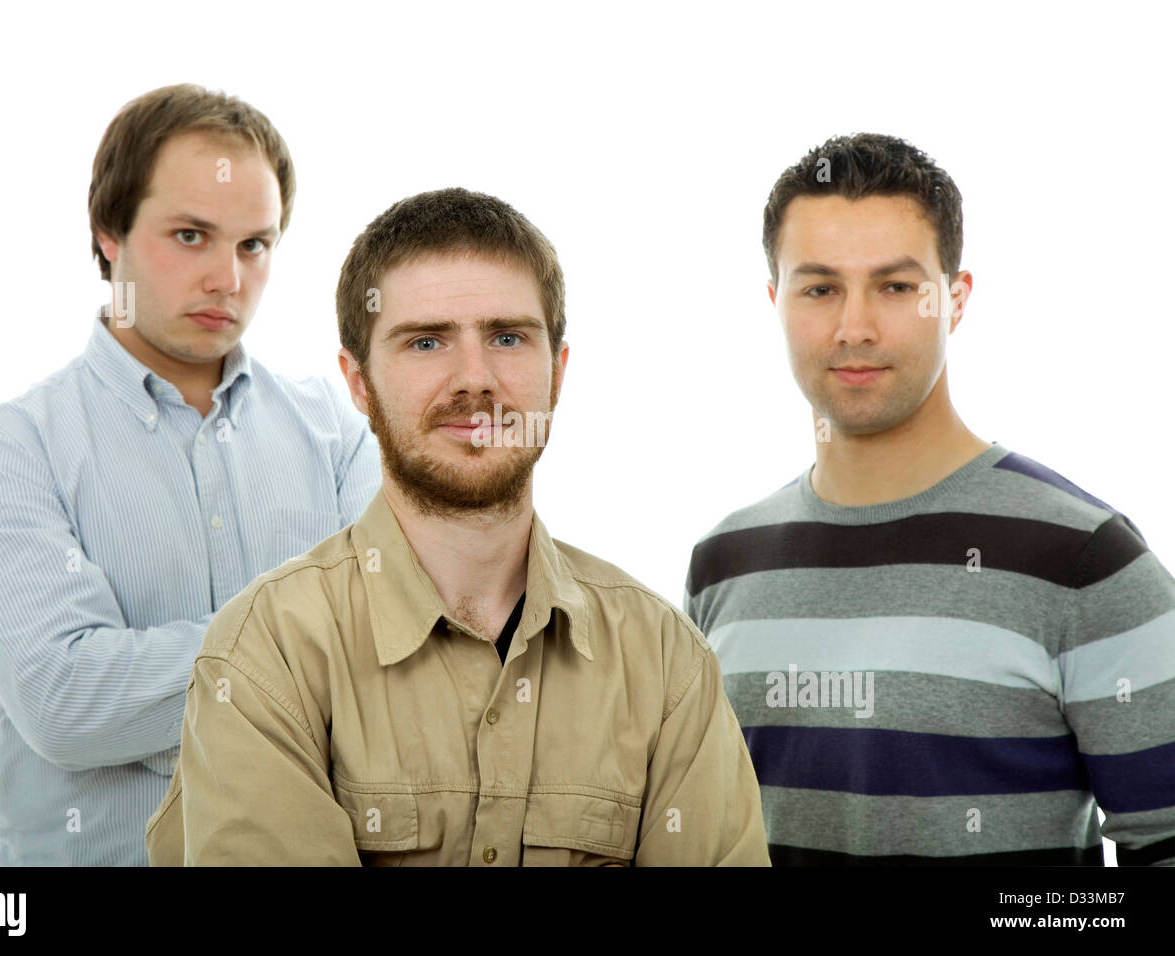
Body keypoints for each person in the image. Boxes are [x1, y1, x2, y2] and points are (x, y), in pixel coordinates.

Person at [146, 187, 769, 866]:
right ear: (358, 382)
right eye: (426, 341)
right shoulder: (267, 654)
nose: (474, 379)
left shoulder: (667, 662)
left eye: (507, 337)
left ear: (557, 372)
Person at [685, 132, 1175, 865]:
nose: (854, 327)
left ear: (955, 298)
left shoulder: (1084, 558)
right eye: (819, 288)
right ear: (776, 302)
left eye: (895, 286)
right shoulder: (723, 563)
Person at [0, 84, 381, 865]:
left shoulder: (339, 434)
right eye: (191, 236)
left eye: (255, 245)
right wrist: (306, 653)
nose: (228, 278)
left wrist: (156, 689)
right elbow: (66, 704)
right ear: (108, 232)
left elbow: (395, 669)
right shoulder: (14, 451)